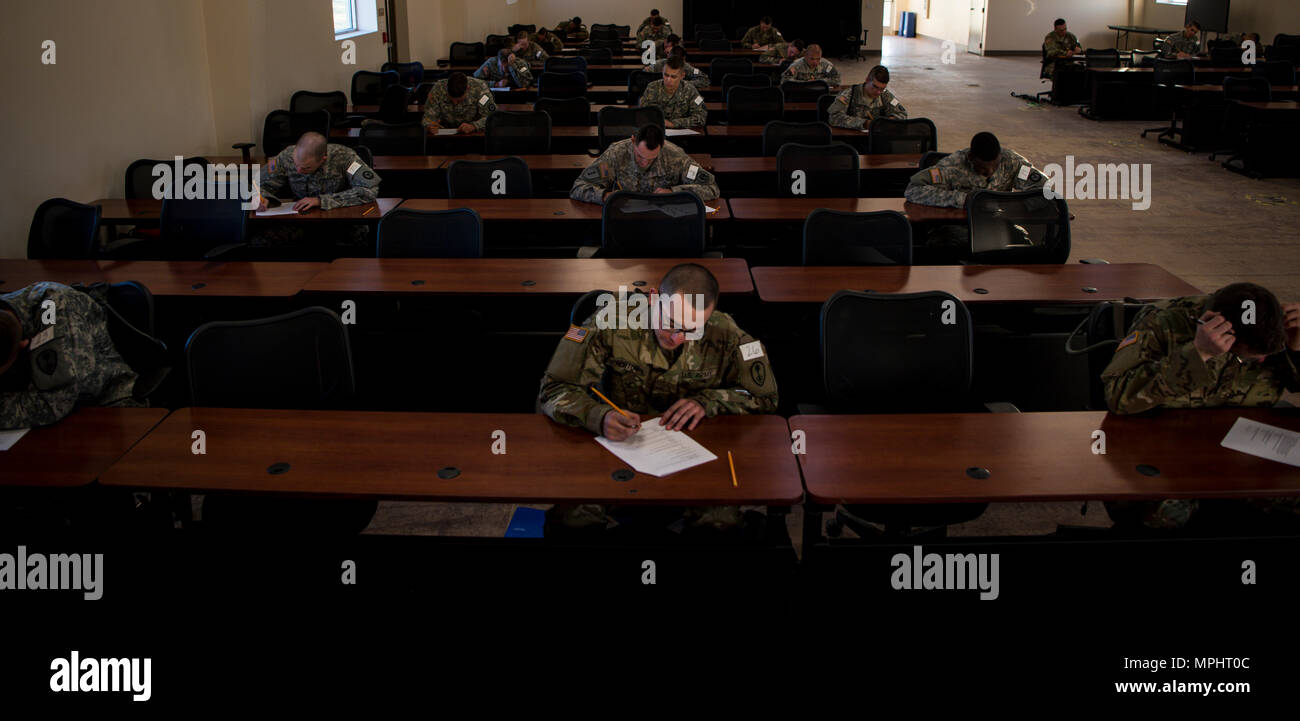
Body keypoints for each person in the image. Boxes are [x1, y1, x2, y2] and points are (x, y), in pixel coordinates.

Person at [538, 263, 778, 532]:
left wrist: (709, 401)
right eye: (671, 324)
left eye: (692, 330)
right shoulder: (609, 320)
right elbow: (554, 388)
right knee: (572, 521)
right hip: (616, 447)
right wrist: (599, 416)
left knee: (721, 523)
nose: (678, 338)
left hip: (694, 455)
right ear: (653, 298)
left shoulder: (728, 333)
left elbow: (765, 396)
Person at [1102, 283, 1300, 529]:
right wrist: (1197, 354)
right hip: (1164, 455)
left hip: (1243, 457)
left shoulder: (1270, 331)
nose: (1261, 362)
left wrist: (1296, 349)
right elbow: (1117, 397)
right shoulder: (1164, 321)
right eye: (1245, 358)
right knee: (1166, 515)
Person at [0, 282, 143, 429]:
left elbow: (53, 403)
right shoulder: (6, 310)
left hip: (107, 406)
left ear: (23, 344)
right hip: (55, 418)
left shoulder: (55, 313)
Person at [570, 124, 719, 204]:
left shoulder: (675, 156)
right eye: (640, 156)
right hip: (623, 222)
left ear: (662, 146)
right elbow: (579, 187)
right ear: (633, 140)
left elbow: (711, 188)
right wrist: (604, 196)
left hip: (662, 223)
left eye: (651, 158)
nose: (645, 162)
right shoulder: (616, 155)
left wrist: (674, 192)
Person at [904, 131, 1045, 209]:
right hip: (962, 224)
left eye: (994, 166)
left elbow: (1045, 188)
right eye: (983, 169)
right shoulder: (953, 165)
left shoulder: (1012, 162)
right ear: (971, 157)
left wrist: (1020, 205)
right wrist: (963, 200)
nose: (990, 172)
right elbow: (913, 190)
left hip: (998, 223)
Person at [259, 132, 380, 211]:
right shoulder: (285, 156)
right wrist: (262, 198)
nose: (299, 171)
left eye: (306, 168)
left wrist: (321, 201)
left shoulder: (345, 157)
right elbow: (257, 184)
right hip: (298, 217)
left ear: (323, 159)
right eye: (296, 165)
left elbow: (370, 190)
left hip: (339, 218)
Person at [639, 55, 708, 129]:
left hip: (682, 136)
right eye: (666, 75)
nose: (668, 80)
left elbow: (700, 118)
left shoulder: (690, 90)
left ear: (682, 76)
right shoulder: (652, 87)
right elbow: (642, 115)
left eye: (673, 77)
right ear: (662, 71)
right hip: (656, 132)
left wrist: (673, 123)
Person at [830, 65, 907, 129]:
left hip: (877, 140)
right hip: (853, 140)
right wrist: (864, 123)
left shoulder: (884, 95)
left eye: (882, 88)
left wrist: (890, 121)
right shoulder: (849, 93)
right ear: (867, 80)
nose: (878, 92)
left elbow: (902, 114)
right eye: (875, 87)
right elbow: (833, 117)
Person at [422, 71, 497, 135]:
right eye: (451, 100)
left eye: (459, 101)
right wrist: (429, 126)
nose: (455, 103)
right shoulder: (439, 89)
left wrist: (474, 126)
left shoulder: (480, 89)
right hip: (445, 136)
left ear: (467, 89)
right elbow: (428, 117)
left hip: (473, 136)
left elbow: (492, 117)